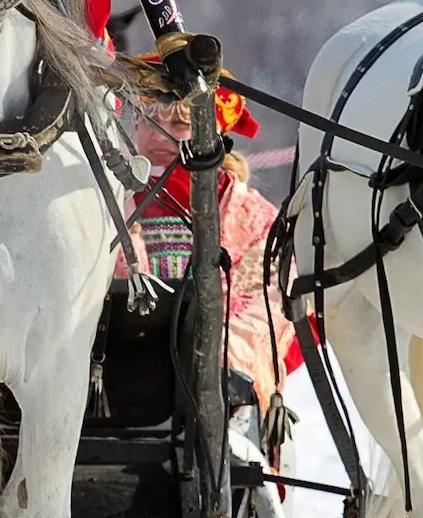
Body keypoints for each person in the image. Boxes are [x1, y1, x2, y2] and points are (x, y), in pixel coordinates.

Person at [118, 68, 302, 409]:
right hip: (115, 375)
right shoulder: (105, 201)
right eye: (148, 121)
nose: (159, 137)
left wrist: (208, 352)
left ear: (211, 136)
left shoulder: (254, 218)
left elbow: (273, 307)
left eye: (179, 126)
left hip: (216, 393)